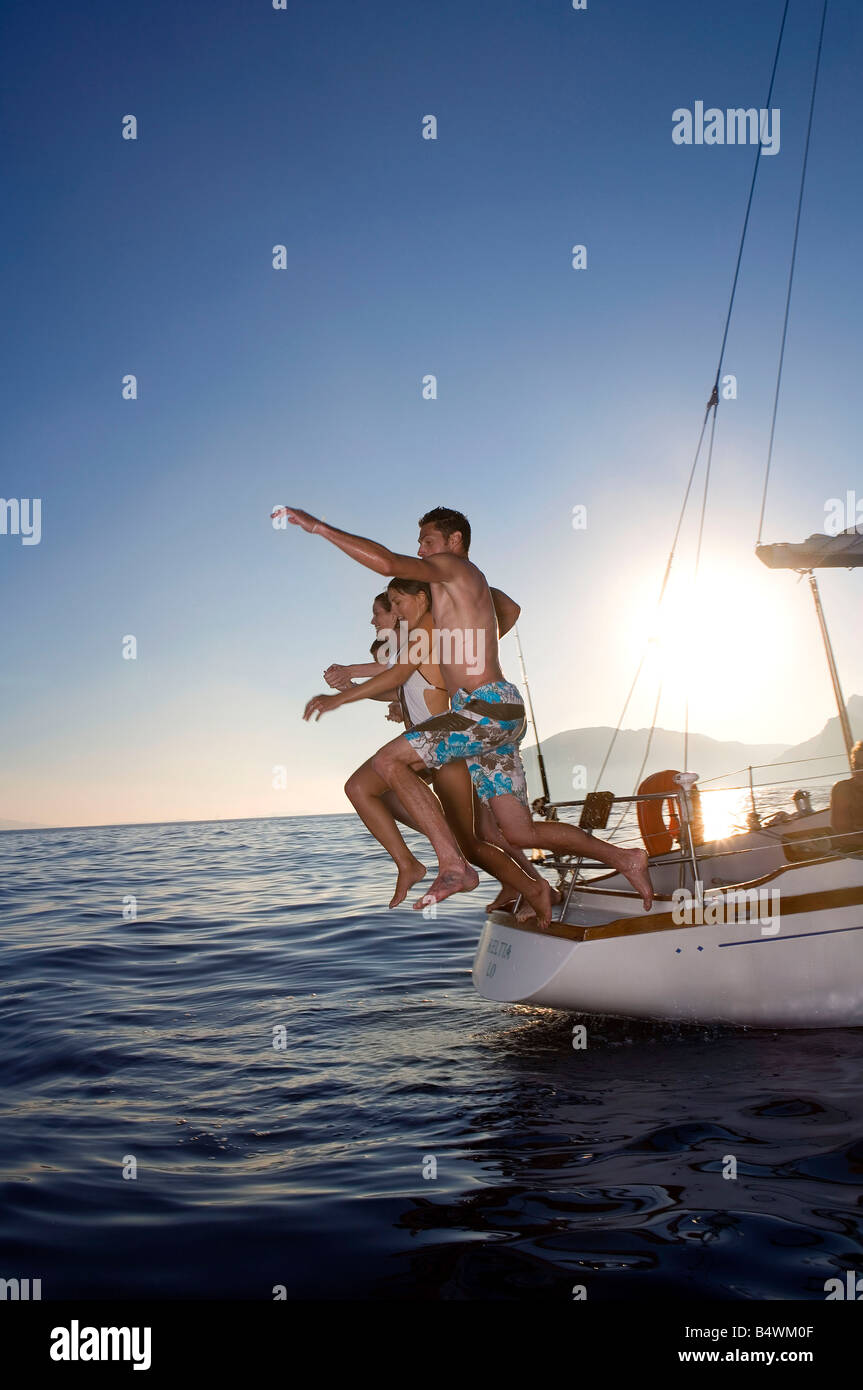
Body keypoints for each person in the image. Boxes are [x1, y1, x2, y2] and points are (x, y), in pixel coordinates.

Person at [276, 503, 653, 917]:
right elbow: (506, 608)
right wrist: (475, 639)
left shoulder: (455, 570)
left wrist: (317, 527)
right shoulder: (459, 590)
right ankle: (624, 858)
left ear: (455, 542)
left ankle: (454, 866)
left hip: (484, 709)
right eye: (420, 544)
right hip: (497, 714)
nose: (421, 551)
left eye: (428, 541)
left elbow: (386, 563)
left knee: (389, 762)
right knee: (519, 832)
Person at [306, 576, 555, 923]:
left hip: (452, 748)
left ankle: (531, 886)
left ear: (400, 609)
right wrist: (361, 686)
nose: (375, 620)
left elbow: (397, 670)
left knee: (477, 839)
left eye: (383, 610)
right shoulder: (413, 646)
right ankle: (424, 862)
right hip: (429, 752)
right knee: (469, 833)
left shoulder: (433, 635)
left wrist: (352, 675)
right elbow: (396, 683)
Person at [830, 741, 863, 854]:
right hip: (856, 852)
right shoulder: (843, 789)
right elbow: (843, 835)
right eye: (857, 765)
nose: (860, 771)